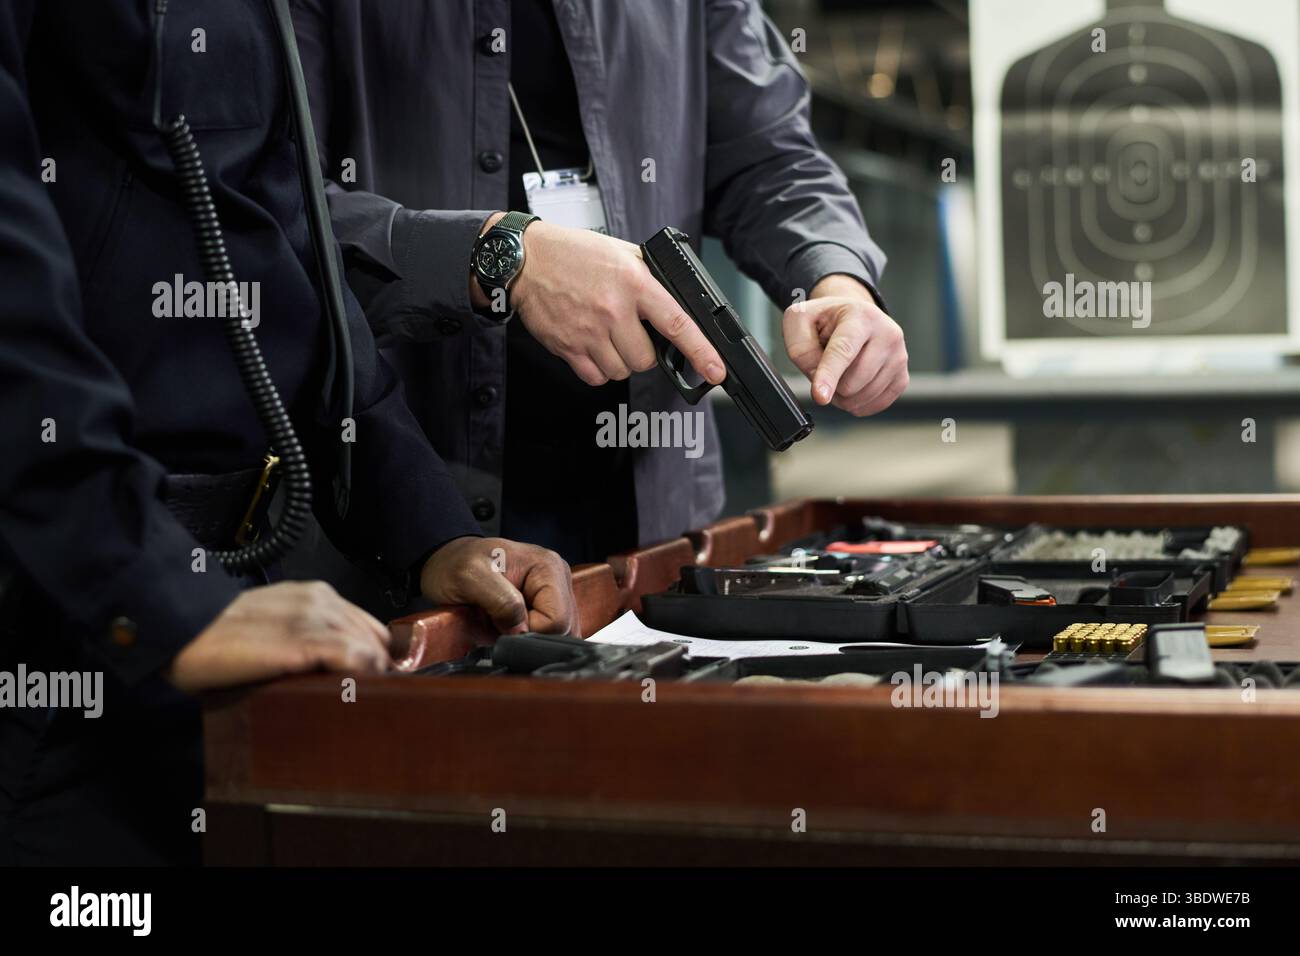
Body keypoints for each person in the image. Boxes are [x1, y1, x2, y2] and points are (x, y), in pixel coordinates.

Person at [0, 0, 575, 865]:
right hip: (54, 632)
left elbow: (280, 250)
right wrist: (153, 596)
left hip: (218, 620)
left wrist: (429, 532)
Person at [291, 0, 909, 567]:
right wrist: (505, 259)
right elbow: (270, 212)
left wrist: (837, 280)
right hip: (408, 504)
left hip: (654, 508)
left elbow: (769, 157)